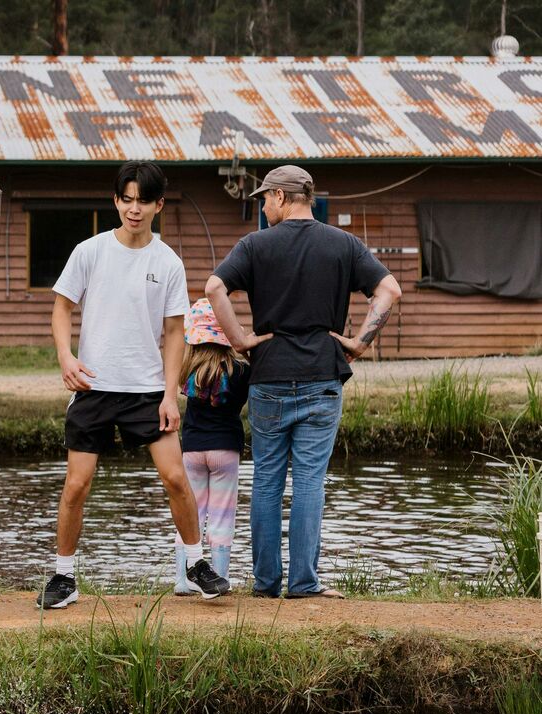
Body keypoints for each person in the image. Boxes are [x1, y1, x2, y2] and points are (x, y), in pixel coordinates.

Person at [39, 161, 232, 609]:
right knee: (76, 485)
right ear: (116, 201)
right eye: (126, 199)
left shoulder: (168, 262)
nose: (134, 208)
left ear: (158, 205)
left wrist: (170, 394)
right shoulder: (89, 252)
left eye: (143, 200)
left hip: (147, 391)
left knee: (175, 478)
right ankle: (63, 576)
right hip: (94, 387)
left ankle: (196, 564)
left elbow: (173, 334)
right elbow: (61, 309)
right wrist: (66, 357)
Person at [205, 165, 402, 598]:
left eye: (263, 199)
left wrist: (240, 340)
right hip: (322, 377)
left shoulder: (255, 245)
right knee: (310, 482)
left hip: (269, 376)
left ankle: (265, 583)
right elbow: (389, 290)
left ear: (279, 196)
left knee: (268, 481)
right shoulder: (344, 244)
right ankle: (303, 584)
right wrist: (360, 342)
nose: (262, 207)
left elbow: (214, 286)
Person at [174, 298, 252, 595]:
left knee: (190, 514)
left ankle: (183, 581)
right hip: (225, 451)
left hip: (192, 450)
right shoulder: (240, 371)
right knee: (221, 517)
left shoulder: (187, 371)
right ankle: (216, 579)